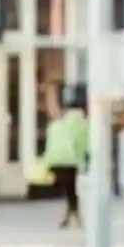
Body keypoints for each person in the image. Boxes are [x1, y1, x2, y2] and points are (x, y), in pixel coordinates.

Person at [43, 94, 90, 229]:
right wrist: (83, 159)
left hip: (55, 160)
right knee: (72, 190)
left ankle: (70, 215)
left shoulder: (57, 124)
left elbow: (50, 142)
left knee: (68, 191)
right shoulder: (83, 123)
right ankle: (74, 215)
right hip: (70, 160)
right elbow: (84, 144)